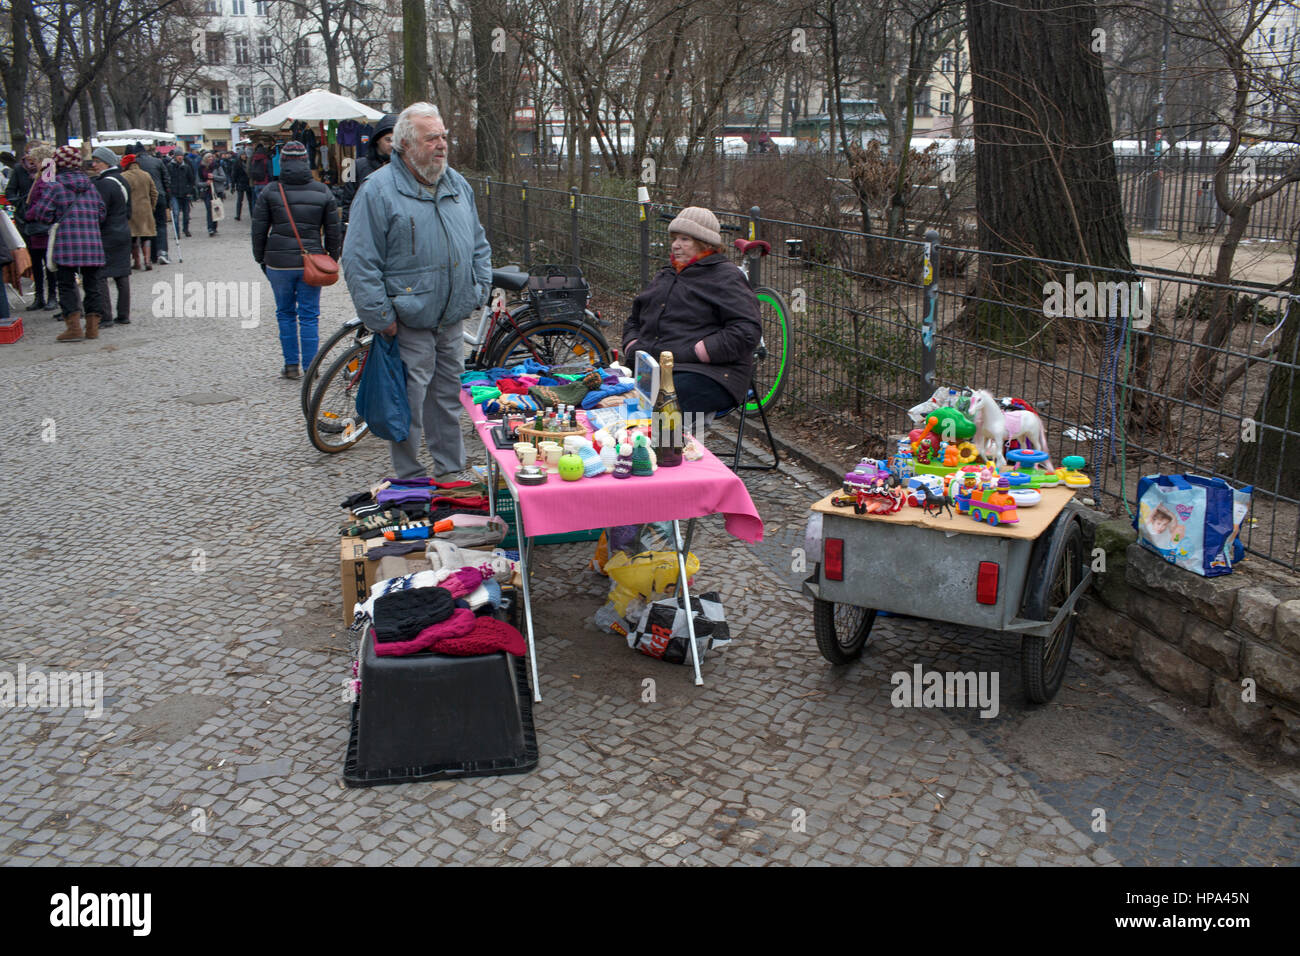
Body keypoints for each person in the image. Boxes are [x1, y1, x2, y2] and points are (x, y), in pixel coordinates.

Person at [342, 102, 492, 480]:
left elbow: (478, 243)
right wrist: (380, 317)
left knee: (446, 400)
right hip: (407, 319)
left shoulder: (457, 184)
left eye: (444, 137)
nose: (442, 145)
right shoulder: (378, 191)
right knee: (407, 401)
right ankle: (409, 477)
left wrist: (479, 287)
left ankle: (451, 471)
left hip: (452, 316)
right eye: (432, 139)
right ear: (406, 145)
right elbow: (360, 259)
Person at [621, 206, 761, 422]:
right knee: (613, 399)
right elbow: (634, 319)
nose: (676, 245)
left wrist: (698, 351)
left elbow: (746, 331)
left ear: (705, 243)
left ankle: (667, 454)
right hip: (655, 369)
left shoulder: (726, 277)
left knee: (661, 411)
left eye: (685, 239)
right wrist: (633, 345)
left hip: (710, 373)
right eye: (675, 238)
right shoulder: (666, 275)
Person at [251, 139, 341, 380]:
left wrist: (261, 258)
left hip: (278, 263)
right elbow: (334, 231)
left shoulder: (270, 191)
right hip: (312, 262)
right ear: (305, 161)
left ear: (282, 162)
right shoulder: (322, 191)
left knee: (285, 313)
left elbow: (258, 229)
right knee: (310, 315)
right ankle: (311, 368)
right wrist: (332, 258)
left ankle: (291, 365)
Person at [25, 144, 107, 341]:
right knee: (92, 285)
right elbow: (102, 213)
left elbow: (42, 214)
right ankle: (93, 328)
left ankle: (74, 328)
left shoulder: (55, 185)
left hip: (66, 244)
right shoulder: (91, 186)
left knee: (67, 285)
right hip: (92, 243)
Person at [5, 143, 59, 312]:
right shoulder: (19, 170)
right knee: (36, 262)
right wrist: (22, 205)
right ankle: (39, 297)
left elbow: (48, 197)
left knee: (48, 262)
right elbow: (10, 192)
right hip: (28, 223)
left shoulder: (48, 172)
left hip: (42, 223)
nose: (31, 160)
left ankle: (52, 296)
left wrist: (32, 210)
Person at [89, 147, 133, 326]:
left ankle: (105, 315)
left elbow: (100, 211)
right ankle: (123, 314)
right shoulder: (122, 180)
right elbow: (128, 210)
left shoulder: (104, 183)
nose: (94, 165)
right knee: (122, 275)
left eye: (97, 161)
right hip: (122, 229)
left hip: (107, 233)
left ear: (106, 162)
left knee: (101, 274)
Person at [339, 112, 395, 222]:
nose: (392, 144)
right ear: (377, 140)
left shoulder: (403, 168)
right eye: (388, 140)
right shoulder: (356, 166)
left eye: (396, 140)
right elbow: (348, 201)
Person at [119, 153, 158, 271]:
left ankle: (137, 262)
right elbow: (154, 193)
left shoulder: (123, 176)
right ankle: (147, 260)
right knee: (146, 236)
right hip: (146, 210)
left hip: (130, 211)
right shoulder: (146, 175)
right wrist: (152, 207)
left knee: (133, 237)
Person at [134, 144, 171, 264]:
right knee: (161, 225)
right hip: (160, 195)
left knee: (149, 226)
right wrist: (167, 196)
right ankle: (163, 252)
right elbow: (166, 179)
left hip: (144, 198)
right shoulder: (157, 161)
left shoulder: (135, 164)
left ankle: (152, 254)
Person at [167, 150, 196, 238]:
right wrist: (169, 190)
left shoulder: (186, 167)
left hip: (185, 193)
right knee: (176, 213)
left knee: (186, 214)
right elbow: (167, 179)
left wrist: (189, 190)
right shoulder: (169, 166)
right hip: (174, 193)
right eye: (178, 156)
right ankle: (177, 232)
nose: (180, 157)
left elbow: (191, 180)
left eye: (181, 156)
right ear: (175, 157)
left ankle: (186, 229)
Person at [198, 152, 222, 236]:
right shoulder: (201, 168)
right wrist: (206, 183)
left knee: (215, 208)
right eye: (209, 158)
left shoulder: (217, 166)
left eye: (211, 157)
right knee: (209, 209)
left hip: (216, 191)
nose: (211, 159)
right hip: (206, 191)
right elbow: (198, 182)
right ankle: (210, 228)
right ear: (205, 159)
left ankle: (215, 227)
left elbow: (223, 178)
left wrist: (214, 177)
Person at [230, 147, 252, 220]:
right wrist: (233, 185)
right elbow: (234, 174)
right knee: (240, 200)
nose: (244, 156)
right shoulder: (236, 163)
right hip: (240, 183)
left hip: (248, 183)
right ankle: (238, 215)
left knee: (250, 200)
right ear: (239, 155)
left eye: (245, 154)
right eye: (242, 154)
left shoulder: (249, 162)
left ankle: (252, 214)